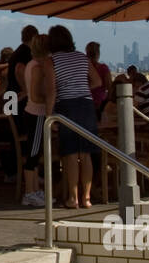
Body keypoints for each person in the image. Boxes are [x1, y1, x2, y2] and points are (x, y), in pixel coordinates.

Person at [42, 25, 98, 208]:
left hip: (67, 106)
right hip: (86, 104)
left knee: (71, 154)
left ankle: (73, 197)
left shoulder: (52, 61)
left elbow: (51, 91)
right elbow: (97, 81)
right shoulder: (82, 57)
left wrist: (49, 117)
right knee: (86, 153)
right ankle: (87, 197)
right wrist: (81, 87)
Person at [19, 33, 50, 207]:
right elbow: (36, 95)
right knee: (32, 154)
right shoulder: (37, 67)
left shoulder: (32, 64)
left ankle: (35, 190)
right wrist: (50, 99)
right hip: (37, 113)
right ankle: (29, 192)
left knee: (34, 153)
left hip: (32, 112)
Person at [86, 41, 113, 118]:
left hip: (86, 103)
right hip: (100, 103)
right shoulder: (103, 68)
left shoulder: (84, 68)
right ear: (98, 53)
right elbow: (109, 87)